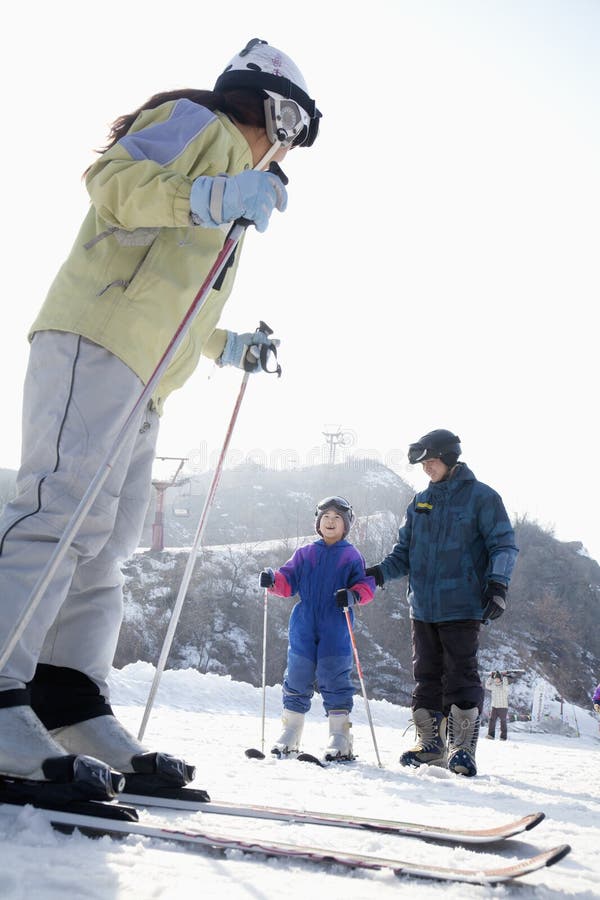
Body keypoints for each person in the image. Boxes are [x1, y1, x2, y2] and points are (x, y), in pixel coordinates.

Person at [0, 38, 321, 799]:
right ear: (270, 108)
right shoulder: (194, 123)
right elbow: (110, 183)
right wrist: (207, 198)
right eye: (293, 131)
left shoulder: (237, 182)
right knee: (58, 516)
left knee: (107, 545)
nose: (290, 152)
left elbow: (174, 297)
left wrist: (227, 345)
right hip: (93, 339)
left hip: (144, 375)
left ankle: (66, 699)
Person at [366, 429, 518, 777]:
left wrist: (498, 584)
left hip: (462, 605)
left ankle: (462, 750)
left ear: (449, 457)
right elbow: (403, 555)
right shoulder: (420, 501)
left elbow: (504, 545)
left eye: (430, 461)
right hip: (422, 607)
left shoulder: (482, 497)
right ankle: (431, 746)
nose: (426, 469)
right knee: (426, 677)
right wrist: (376, 574)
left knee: (462, 675)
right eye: (423, 463)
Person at [259, 497, 375, 761]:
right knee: (298, 673)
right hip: (305, 619)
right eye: (326, 517)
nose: (330, 522)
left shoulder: (351, 555)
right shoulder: (306, 553)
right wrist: (273, 579)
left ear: (345, 525)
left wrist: (353, 595)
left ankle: (340, 736)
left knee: (333, 675)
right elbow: (288, 580)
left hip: (336, 621)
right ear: (318, 524)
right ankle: (290, 731)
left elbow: (365, 586)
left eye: (336, 518)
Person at [485, 671, 512, 740]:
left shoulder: (504, 687)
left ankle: (503, 737)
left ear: (500, 679)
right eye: (495, 678)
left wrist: (505, 676)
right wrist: (491, 677)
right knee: (492, 720)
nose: (496, 680)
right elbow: (487, 685)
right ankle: (490, 735)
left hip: (503, 707)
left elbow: (505, 685)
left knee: (503, 721)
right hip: (494, 706)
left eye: (498, 679)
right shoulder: (493, 686)